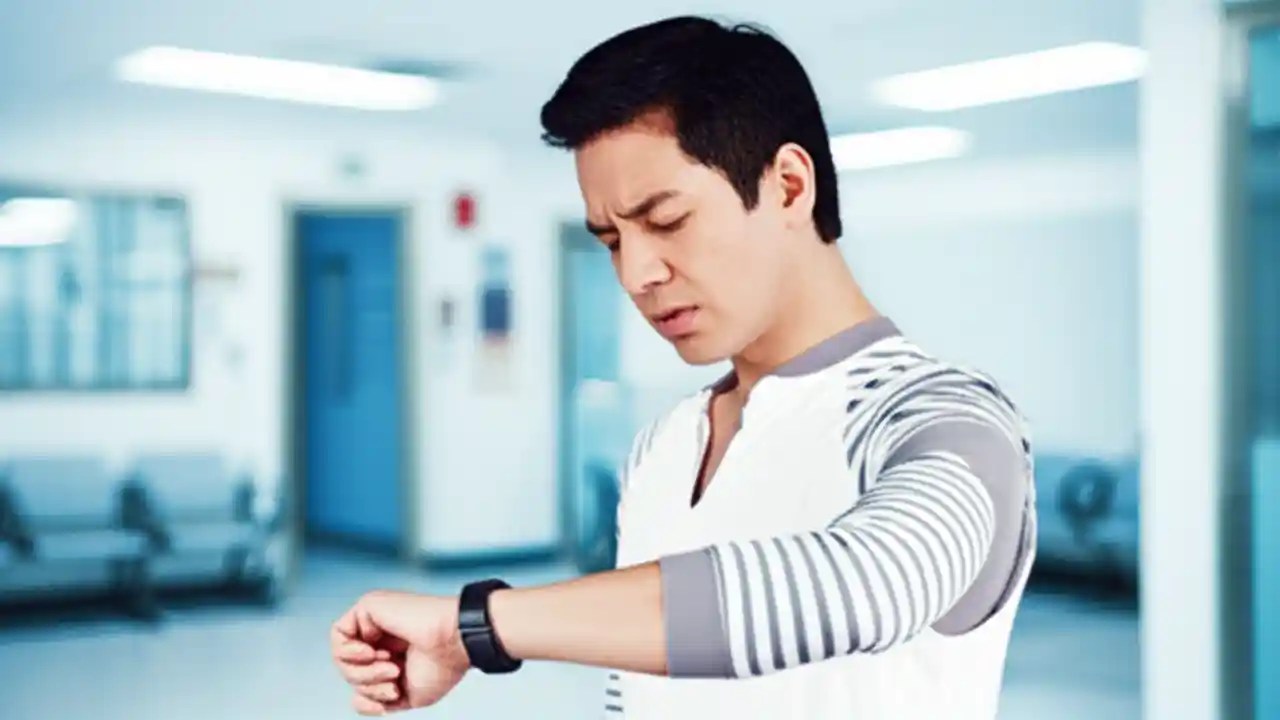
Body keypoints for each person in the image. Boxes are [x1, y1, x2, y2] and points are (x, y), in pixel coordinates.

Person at [330, 15, 1036, 720]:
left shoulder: (943, 420)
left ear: (789, 187)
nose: (636, 273)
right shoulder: (664, 445)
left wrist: (474, 627)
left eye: (667, 221)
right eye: (611, 240)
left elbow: (872, 581)